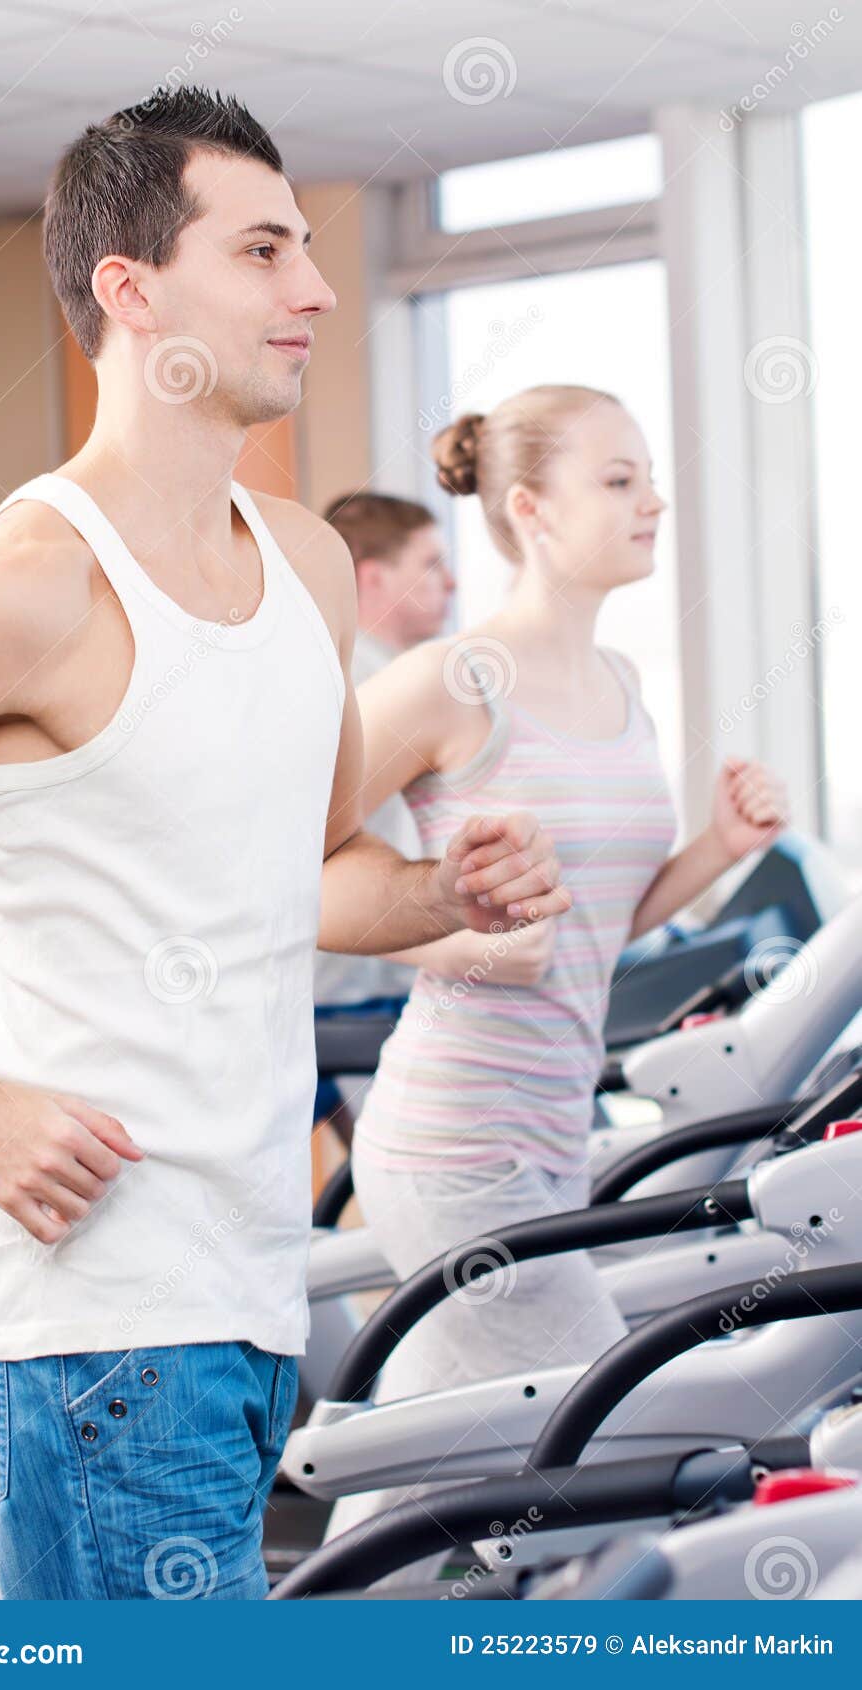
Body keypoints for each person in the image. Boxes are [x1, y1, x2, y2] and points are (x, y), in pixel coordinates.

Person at [0, 89, 568, 1601]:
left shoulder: (304, 564)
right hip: (97, 1323)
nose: (316, 289)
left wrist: (441, 890)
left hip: (248, 1286)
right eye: (265, 249)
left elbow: (320, 870)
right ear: (130, 288)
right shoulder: (16, 590)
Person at [323, 385, 788, 1565]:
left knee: (419, 1469)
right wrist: (457, 937)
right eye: (620, 479)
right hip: (454, 1136)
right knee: (621, 1432)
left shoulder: (623, 686)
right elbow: (281, 865)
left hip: (546, 1129)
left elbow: (595, 927)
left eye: (648, 477)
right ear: (528, 508)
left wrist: (716, 856)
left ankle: (306, 1635)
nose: (653, 500)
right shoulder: (452, 680)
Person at [312, 493, 456, 1148]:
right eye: (429, 564)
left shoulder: (376, 674)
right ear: (371, 578)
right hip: (347, 990)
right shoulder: (365, 687)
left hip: (361, 979)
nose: (449, 582)